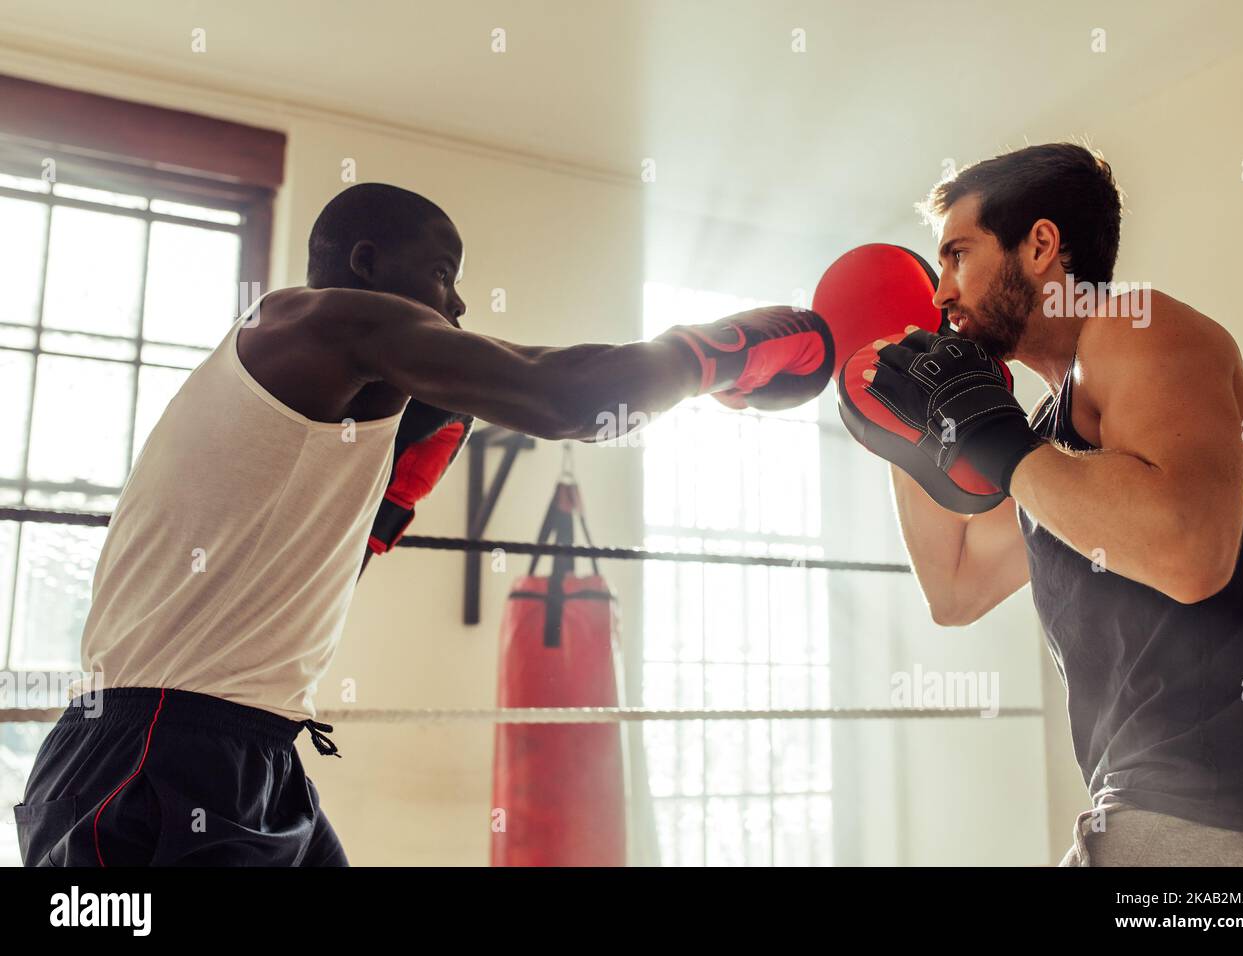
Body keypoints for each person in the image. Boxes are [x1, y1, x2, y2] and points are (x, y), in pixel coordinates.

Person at [13, 182, 832, 866]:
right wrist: (728, 348)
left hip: (252, 750)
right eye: (443, 272)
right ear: (368, 264)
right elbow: (568, 397)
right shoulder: (318, 321)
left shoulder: (322, 390)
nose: (460, 299)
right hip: (152, 757)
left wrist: (383, 505)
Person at [851, 143, 1243, 865]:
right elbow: (956, 587)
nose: (940, 292)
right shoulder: (1045, 443)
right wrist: (899, 423)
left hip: (1231, 816)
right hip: (1153, 813)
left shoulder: (1139, 328)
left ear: (1040, 245)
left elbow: (1190, 553)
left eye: (957, 255)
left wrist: (994, 442)